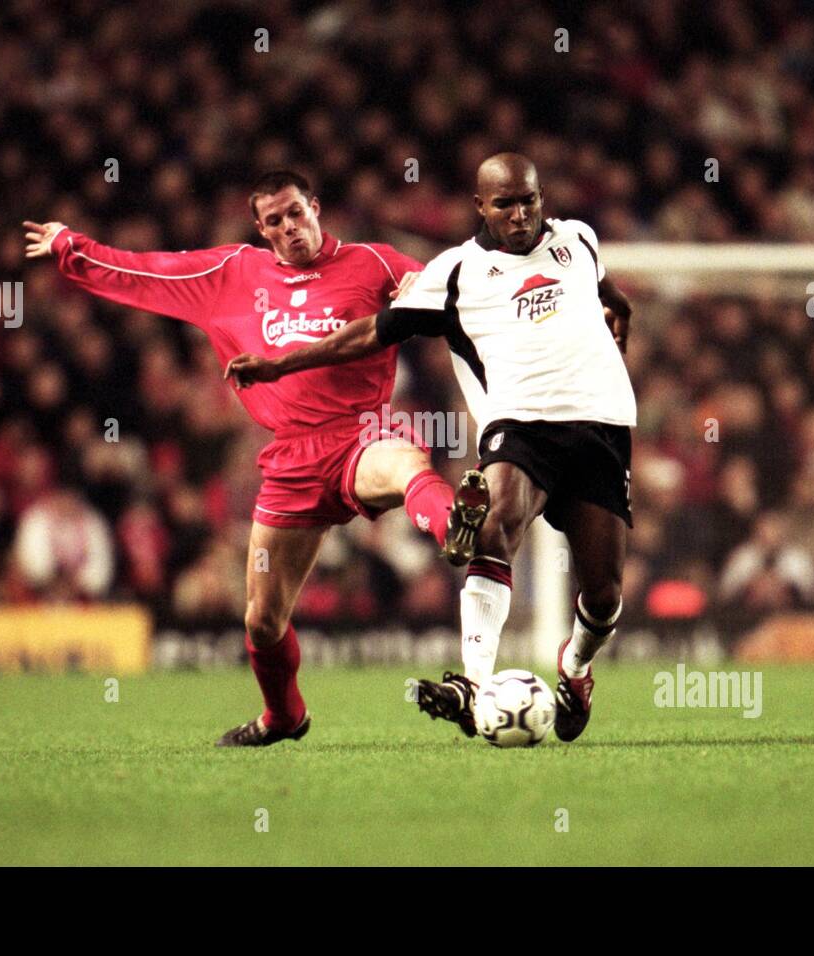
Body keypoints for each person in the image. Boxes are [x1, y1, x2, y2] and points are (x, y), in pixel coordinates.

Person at [23, 170, 490, 747]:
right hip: (291, 458)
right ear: (261, 229)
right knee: (261, 621)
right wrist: (73, 248)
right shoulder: (232, 273)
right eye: (275, 220)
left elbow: (455, 297)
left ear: (316, 208)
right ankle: (283, 718)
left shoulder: (377, 263)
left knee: (405, 467)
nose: (290, 227)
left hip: (360, 432)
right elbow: (147, 271)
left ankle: (456, 529)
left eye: (296, 212)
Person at [225, 154, 634, 742]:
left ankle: (575, 667)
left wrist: (622, 308)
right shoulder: (457, 272)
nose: (519, 216)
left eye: (528, 201)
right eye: (504, 205)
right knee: (493, 527)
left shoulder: (578, 239)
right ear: (480, 207)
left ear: (541, 198)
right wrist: (278, 364)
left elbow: (601, 285)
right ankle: (475, 684)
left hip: (601, 426)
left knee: (604, 593)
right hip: (519, 425)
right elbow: (371, 330)